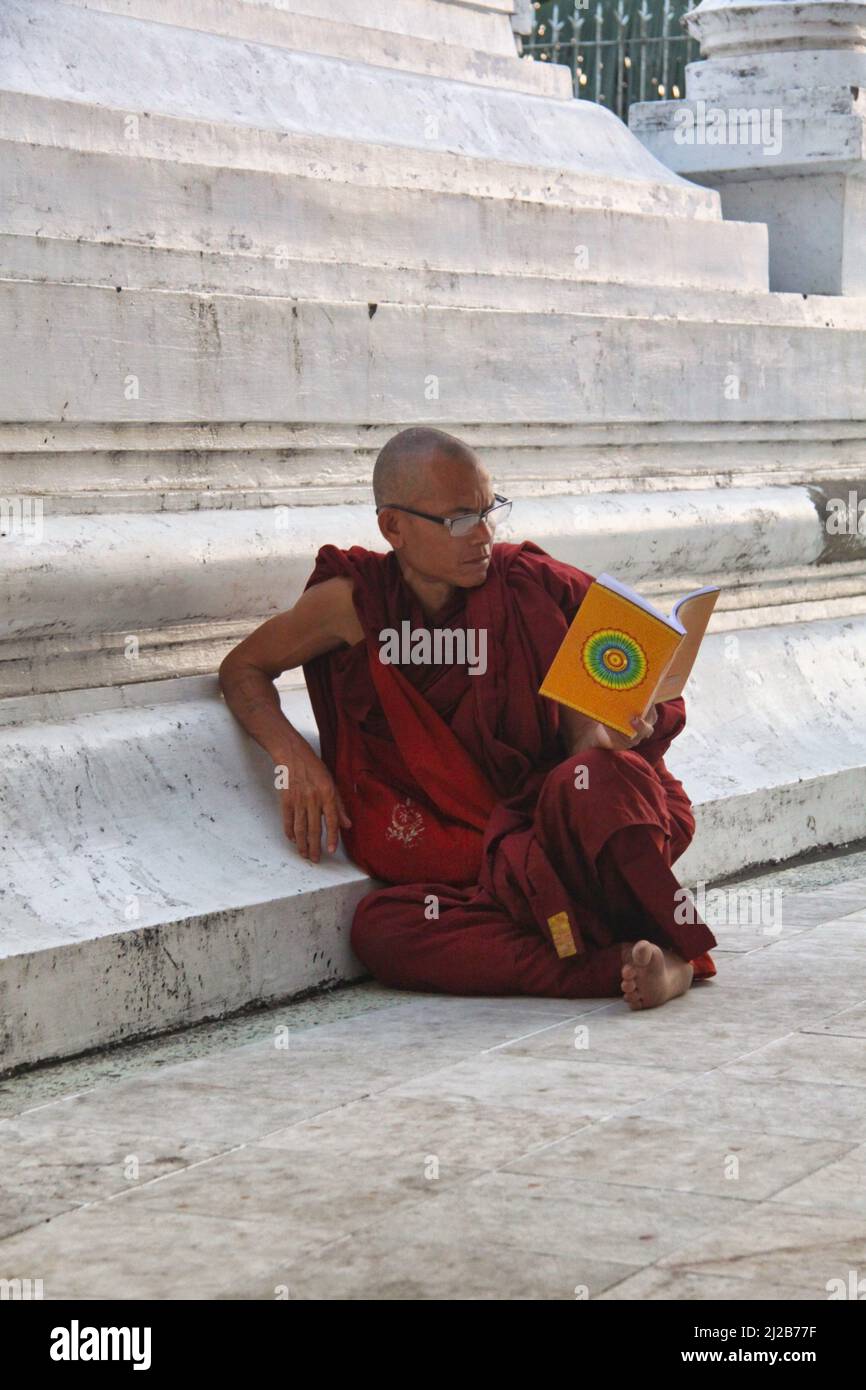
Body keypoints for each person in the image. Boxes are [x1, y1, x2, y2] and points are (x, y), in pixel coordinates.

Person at [219, 427, 717, 1010]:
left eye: (489, 511)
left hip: (558, 828)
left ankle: (678, 951)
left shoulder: (532, 585)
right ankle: (613, 963)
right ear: (393, 527)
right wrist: (293, 757)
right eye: (459, 520)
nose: (483, 535)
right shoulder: (353, 605)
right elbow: (243, 668)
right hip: (475, 863)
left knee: (602, 778)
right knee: (383, 930)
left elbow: (588, 733)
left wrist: (618, 729)